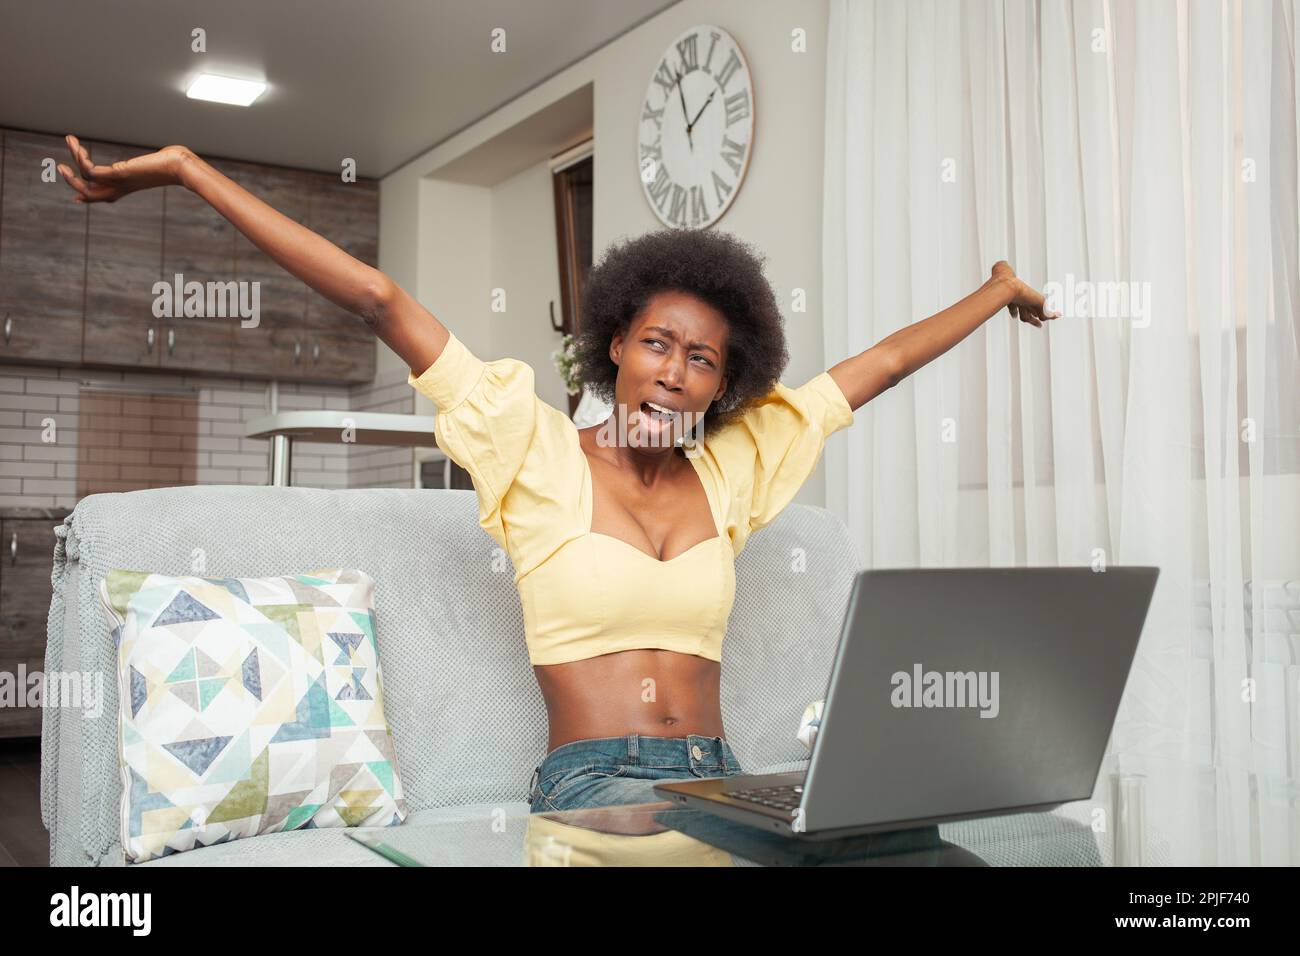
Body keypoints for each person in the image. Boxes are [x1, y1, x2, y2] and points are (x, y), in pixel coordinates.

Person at [56, 135, 1058, 816]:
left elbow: (874, 367)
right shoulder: (526, 447)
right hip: (592, 785)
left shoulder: (745, 463)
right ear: (613, 343)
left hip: (721, 778)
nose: (674, 369)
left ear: (725, 380)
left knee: (916, 838)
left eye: (702, 357)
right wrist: (185, 171)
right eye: (657, 342)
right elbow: (375, 296)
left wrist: (996, 287)